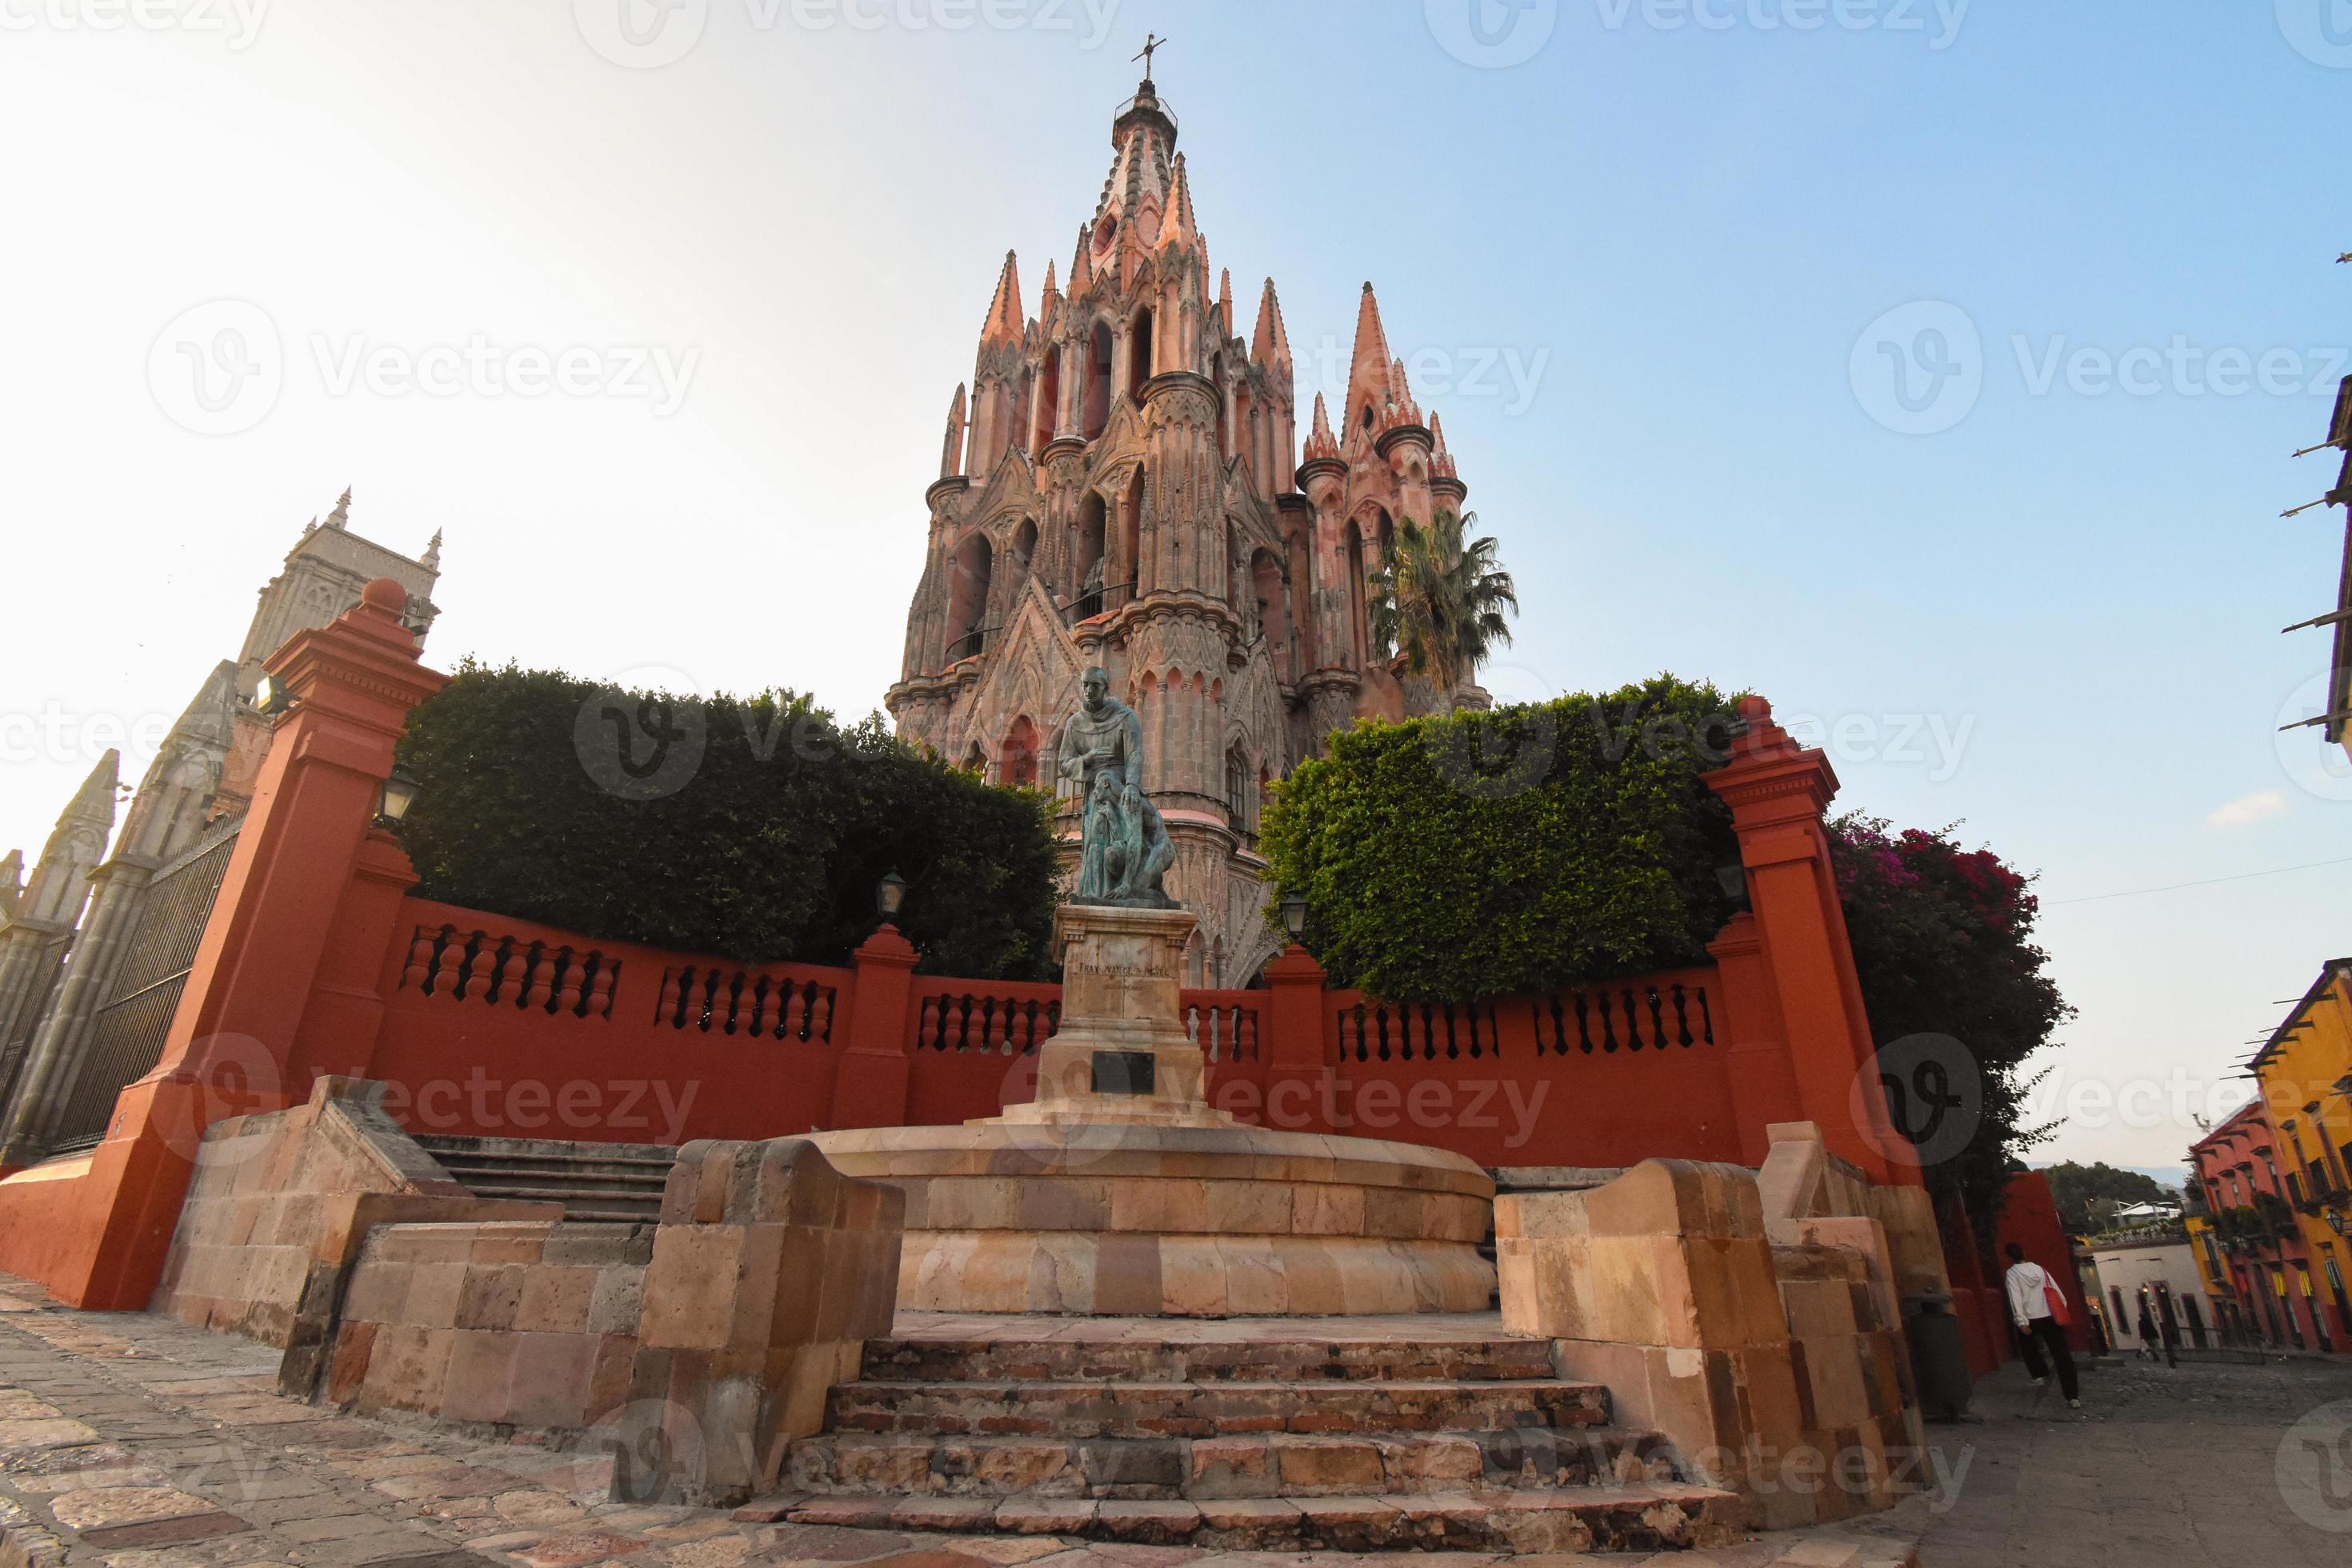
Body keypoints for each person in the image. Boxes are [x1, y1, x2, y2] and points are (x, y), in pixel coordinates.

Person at [2004, 1242, 2082, 1408]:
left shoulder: (2012, 1273)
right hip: (2049, 1316)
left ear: (2010, 1257)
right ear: (2024, 1252)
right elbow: (2056, 1291)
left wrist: (2021, 1321)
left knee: (2028, 1348)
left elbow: (2015, 1297)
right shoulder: (2040, 1270)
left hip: (2030, 1318)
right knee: (2062, 1357)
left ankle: (2039, 1374)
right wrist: (2062, 1310)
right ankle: (2072, 1396)